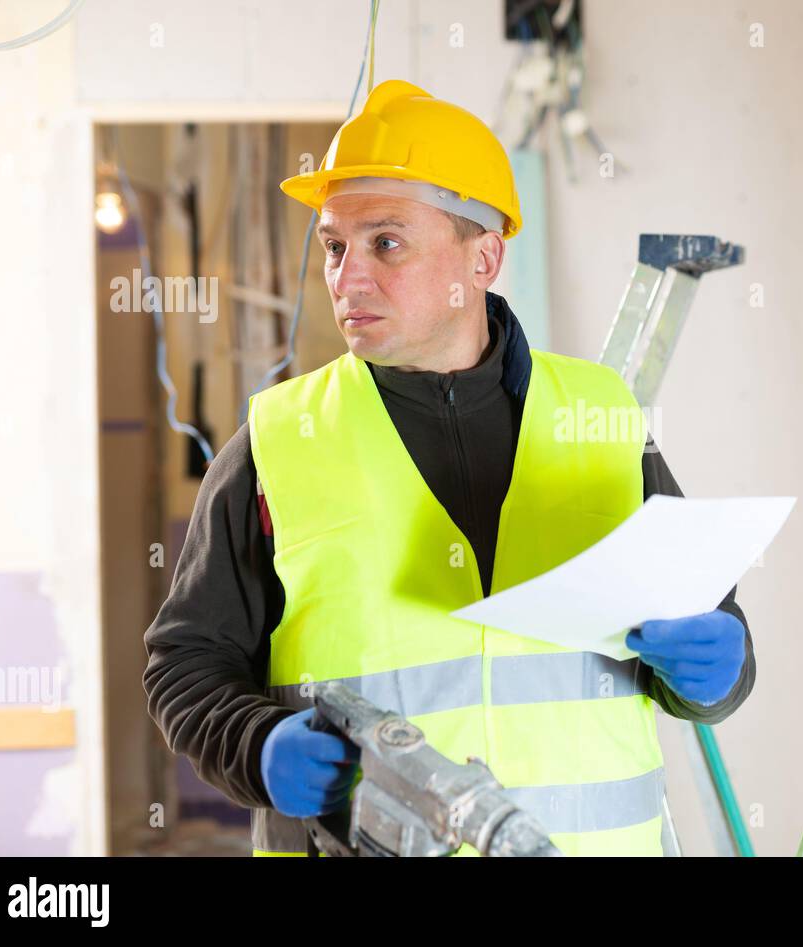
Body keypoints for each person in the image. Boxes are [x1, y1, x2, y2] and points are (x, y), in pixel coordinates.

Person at [143, 80, 755, 856]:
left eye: (385, 243)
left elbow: (715, 640)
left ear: (485, 256)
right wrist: (255, 743)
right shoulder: (278, 442)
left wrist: (714, 671)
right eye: (335, 245)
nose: (346, 276)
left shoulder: (600, 418)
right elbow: (184, 663)